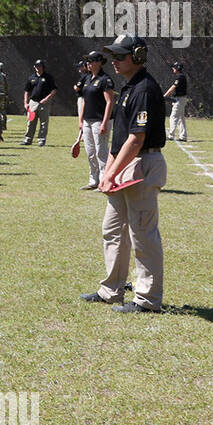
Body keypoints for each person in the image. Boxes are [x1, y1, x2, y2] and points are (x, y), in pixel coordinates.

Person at [81, 34, 167, 313]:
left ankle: (147, 299)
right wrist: (110, 170)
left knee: (142, 234)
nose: (114, 62)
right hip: (125, 164)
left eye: (120, 56)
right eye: (113, 57)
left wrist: (108, 174)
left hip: (141, 164)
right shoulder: (129, 87)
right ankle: (111, 290)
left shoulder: (143, 89)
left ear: (137, 57)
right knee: (113, 230)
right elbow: (121, 139)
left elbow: (137, 139)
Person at [78, 50, 115, 190]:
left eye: (91, 60)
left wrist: (104, 123)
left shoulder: (105, 79)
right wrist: (81, 121)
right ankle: (93, 180)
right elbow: (85, 101)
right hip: (87, 121)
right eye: (87, 61)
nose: (88, 63)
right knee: (90, 151)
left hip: (100, 121)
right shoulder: (87, 79)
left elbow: (110, 102)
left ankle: (104, 181)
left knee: (101, 151)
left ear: (99, 62)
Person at [22, 59, 56, 145]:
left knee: (43, 122)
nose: (38, 68)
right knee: (30, 121)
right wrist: (26, 103)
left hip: (44, 103)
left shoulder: (48, 77)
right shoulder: (31, 78)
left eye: (40, 66)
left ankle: (41, 140)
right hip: (33, 102)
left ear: (43, 67)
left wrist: (47, 99)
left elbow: (54, 90)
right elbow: (27, 91)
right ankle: (28, 139)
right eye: (36, 66)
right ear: (34, 67)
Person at [164, 62, 189, 141]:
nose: (173, 68)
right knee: (181, 118)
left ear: (178, 68)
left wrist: (165, 96)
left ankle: (171, 135)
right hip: (180, 99)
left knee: (173, 117)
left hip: (180, 99)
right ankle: (183, 136)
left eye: (174, 67)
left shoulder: (180, 77)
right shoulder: (180, 76)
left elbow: (173, 87)